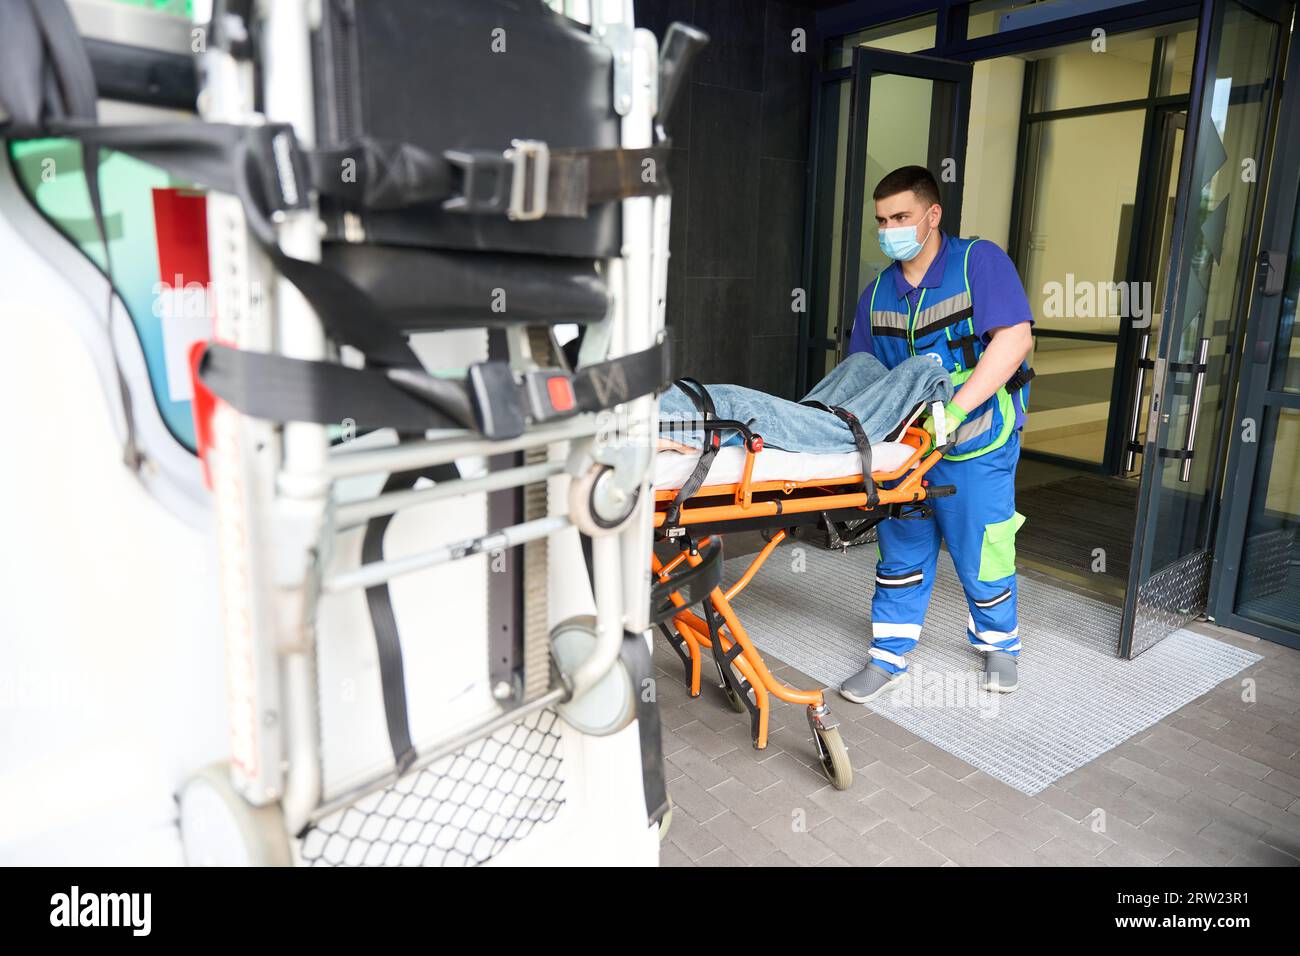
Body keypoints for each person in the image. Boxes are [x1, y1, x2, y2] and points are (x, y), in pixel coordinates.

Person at [839, 165, 1034, 701]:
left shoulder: (978, 263)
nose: (889, 230)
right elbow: (863, 374)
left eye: (900, 217)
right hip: (906, 450)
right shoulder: (876, 293)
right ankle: (888, 654)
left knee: (982, 548)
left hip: (976, 441)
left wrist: (957, 409)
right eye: (882, 221)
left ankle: (999, 643)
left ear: (932, 215)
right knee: (900, 550)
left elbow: (1014, 339)